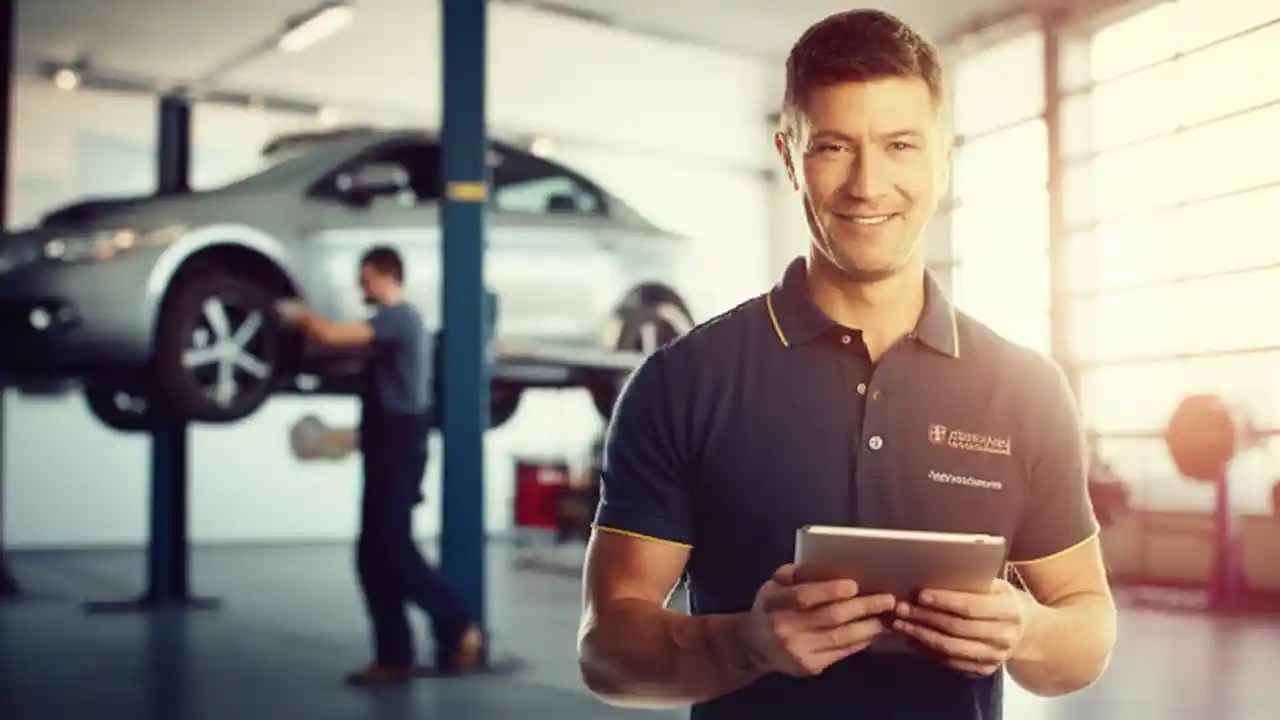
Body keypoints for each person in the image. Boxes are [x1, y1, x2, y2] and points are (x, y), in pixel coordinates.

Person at [576, 9, 1117, 719]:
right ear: (788, 155)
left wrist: (1026, 629)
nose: (868, 184)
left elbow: (1085, 632)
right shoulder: (682, 382)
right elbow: (608, 648)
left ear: (943, 158)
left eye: (900, 145)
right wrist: (747, 643)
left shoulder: (1026, 389)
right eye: (833, 147)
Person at [281, 246, 486, 686]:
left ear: (382, 276)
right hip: (385, 447)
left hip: (399, 449)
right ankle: (394, 657)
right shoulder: (392, 326)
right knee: (371, 556)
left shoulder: (401, 317)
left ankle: (460, 626)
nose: (361, 288)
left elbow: (333, 336)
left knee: (392, 547)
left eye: (365, 278)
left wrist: (298, 315)